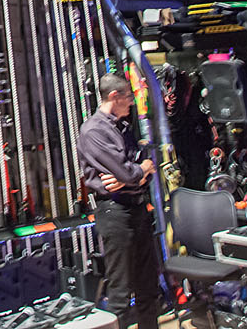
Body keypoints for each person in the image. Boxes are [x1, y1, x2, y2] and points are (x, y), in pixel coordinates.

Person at [78, 72, 160, 329]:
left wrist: (138, 173)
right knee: (121, 290)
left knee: (148, 284)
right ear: (114, 96)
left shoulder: (122, 128)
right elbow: (129, 171)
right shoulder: (94, 131)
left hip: (137, 208)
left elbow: (138, 169)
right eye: (128, 97)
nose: (132, 103)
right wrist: (140, 170)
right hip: (116, 212)